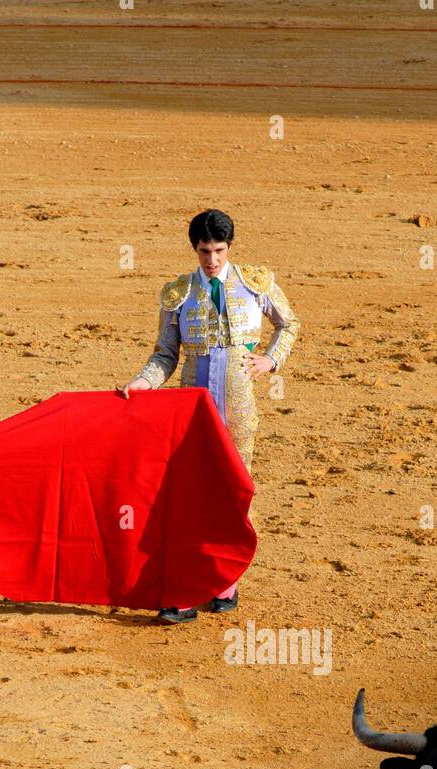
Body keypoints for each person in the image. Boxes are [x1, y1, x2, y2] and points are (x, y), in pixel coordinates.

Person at [118, 208, 299, 625]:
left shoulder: (256, 283)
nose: (212, 259)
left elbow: (288, 324)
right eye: (204, 251)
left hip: (239, 410)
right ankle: (189, 587)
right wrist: (142, 383)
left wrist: (270, 360)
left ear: (229, 247)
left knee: (235, 491)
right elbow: (165, 355)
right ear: (194, 249)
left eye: (218, 250)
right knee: (191, 496)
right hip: (193, 412)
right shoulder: (178, 293)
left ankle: (225, 581)